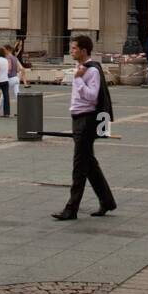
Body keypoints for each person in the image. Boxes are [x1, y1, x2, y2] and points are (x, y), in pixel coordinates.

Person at [52, 35, 117, 220]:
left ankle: (71, 208)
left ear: (83, 50)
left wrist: (79, 79)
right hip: (78, 118)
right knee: (89, 164)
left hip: (86, 120)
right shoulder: (80, 69)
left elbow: (91, 97)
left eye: (74, 48)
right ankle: (107, 201)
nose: (71, 51)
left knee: (79, 165)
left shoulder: (92, 70)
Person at [6, 42, 26, 114]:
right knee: (17, 94)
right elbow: (20, 69)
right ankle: (21, 110)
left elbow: (9, 69)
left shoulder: (9, 57)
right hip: (16, 77)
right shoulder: (15, 58)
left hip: (12, 77)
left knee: (4, 94)